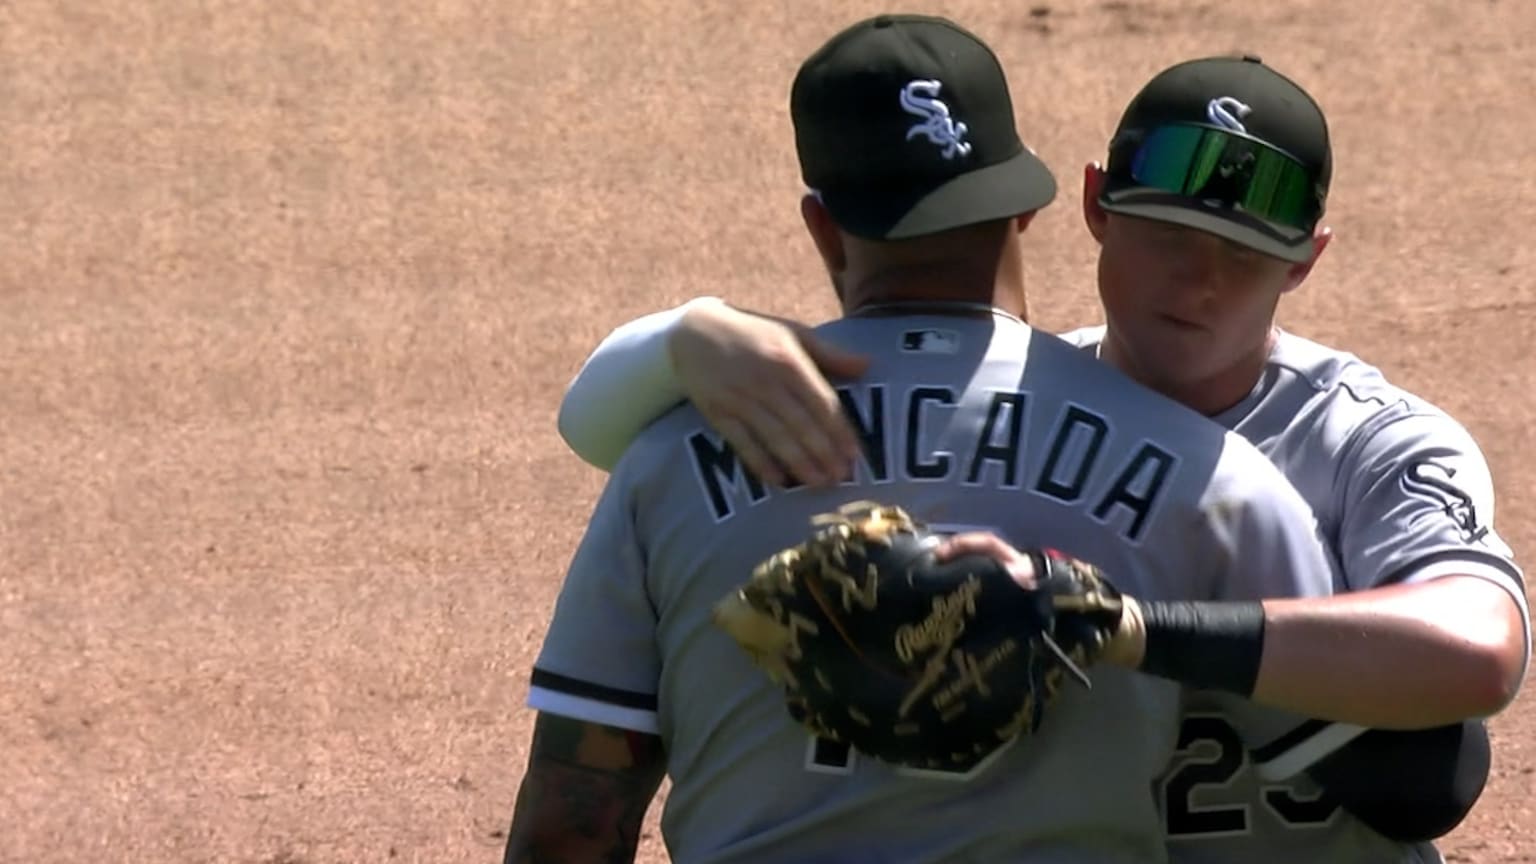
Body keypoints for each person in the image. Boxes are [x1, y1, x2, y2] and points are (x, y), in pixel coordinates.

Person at [549, 53, 1532, 863]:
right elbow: (606, 432)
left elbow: (1451, 727)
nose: (1200, 282)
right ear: (1097, 208)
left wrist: (1126, 628)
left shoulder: (1368, 440)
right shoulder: (1016, 414)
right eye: (1170, 236)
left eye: (1245, 252)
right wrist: (684, 332)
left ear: (1308, 258)